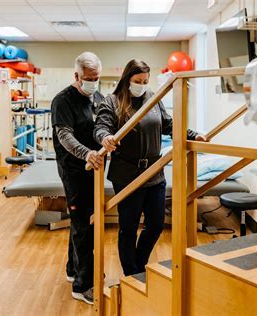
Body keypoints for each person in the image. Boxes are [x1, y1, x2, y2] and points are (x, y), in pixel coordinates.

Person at [94, 59, 206, 276]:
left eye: (145, 81)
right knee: (128, 228)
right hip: (127, 174)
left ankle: (137, 265)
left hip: (155, 172)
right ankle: (132, 274)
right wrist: (105, 137)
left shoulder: (153, 98)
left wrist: (193, 134)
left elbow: (169, 125)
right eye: (138, 81)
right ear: (127, 80)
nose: (142, 85)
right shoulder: (112, 101)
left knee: (155, 224)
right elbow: (101, 127)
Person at [51, 51, 104, 304]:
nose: (93, 82)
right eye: (88, 78)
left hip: (94, 169)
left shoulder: (98, 97)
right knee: (83, 224)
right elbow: (65, 136)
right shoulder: (63, 100)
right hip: (74, 170)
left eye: (96, 77)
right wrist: (88, 154)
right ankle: (83, 285)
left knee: (83, 222)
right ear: (77, 76)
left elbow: (102, 127)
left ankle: (74, 270)